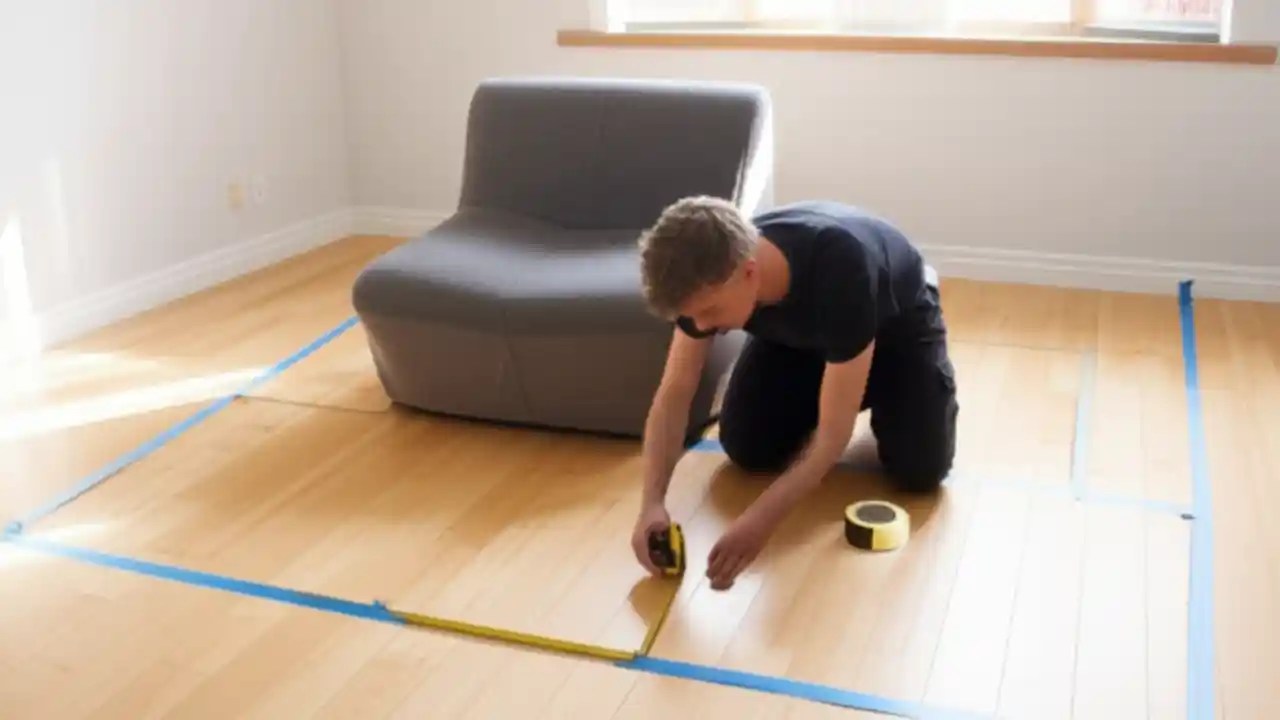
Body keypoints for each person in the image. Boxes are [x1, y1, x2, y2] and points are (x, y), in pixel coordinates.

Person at [630, 197, 958, 590]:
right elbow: (675, 391)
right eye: (692, 316)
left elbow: (833, 438)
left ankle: (879, 393)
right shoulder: (708, 274)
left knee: (920, 470)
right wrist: (651, 503)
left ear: (749, 272)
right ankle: (837, 383)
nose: (700, 326)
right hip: (803, 340)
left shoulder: (843, 267)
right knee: (748, 447)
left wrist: (759, 520)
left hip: (894, 332)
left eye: (711, 312)